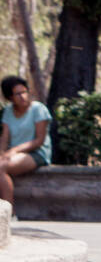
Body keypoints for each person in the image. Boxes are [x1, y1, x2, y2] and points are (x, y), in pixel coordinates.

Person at [0, 76, 52, 213]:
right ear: (10, 97)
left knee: (1, 167)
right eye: (18, 94)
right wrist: (2, 152)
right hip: (13, 154)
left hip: (36, 153)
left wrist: (14, 151)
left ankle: (8, 214)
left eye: (24, 92)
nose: (23, 96)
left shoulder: (38, 109)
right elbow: (5, 138)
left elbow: (39, 140)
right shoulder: (8, 112)